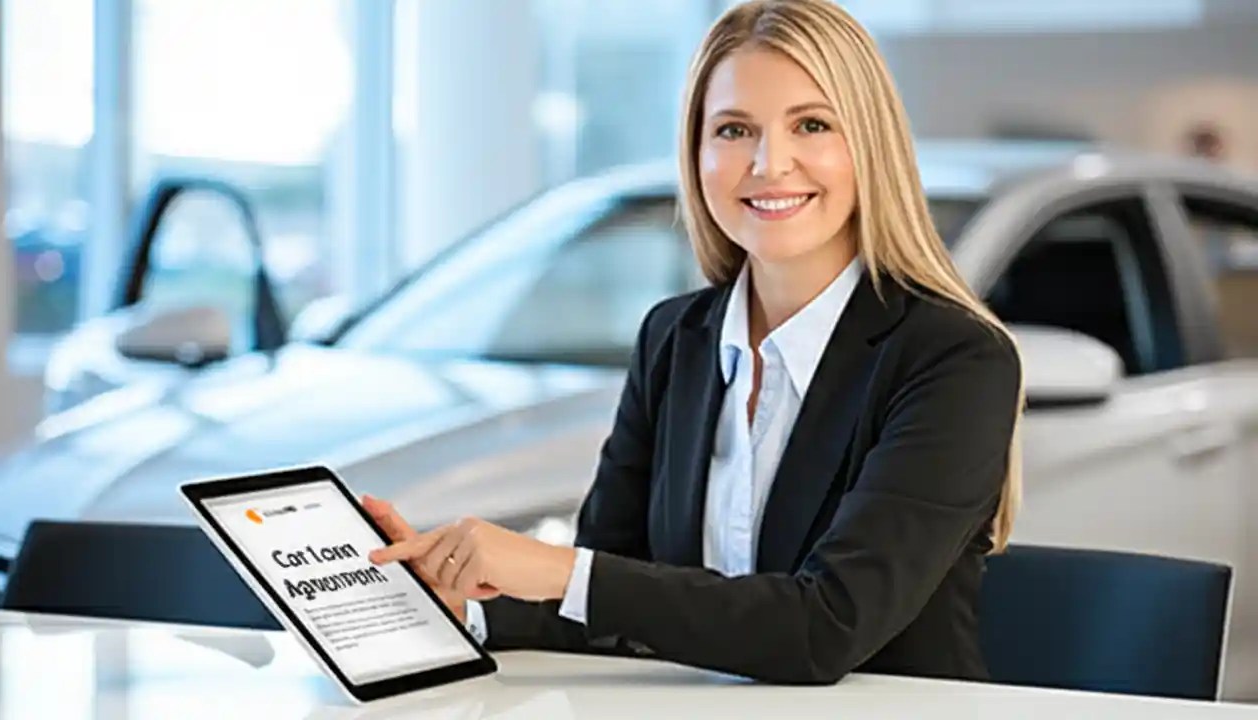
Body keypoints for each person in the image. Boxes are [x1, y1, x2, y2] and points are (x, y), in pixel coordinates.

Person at [364, 0, 1023, 684]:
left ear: (870, 148)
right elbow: (609, 598)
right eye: (735, 129)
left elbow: (825, 627)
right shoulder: (675, 340)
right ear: (697, 152)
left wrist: (558, 567)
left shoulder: (954, 359)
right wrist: (459, 600)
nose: (771, 163)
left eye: (813, 125)